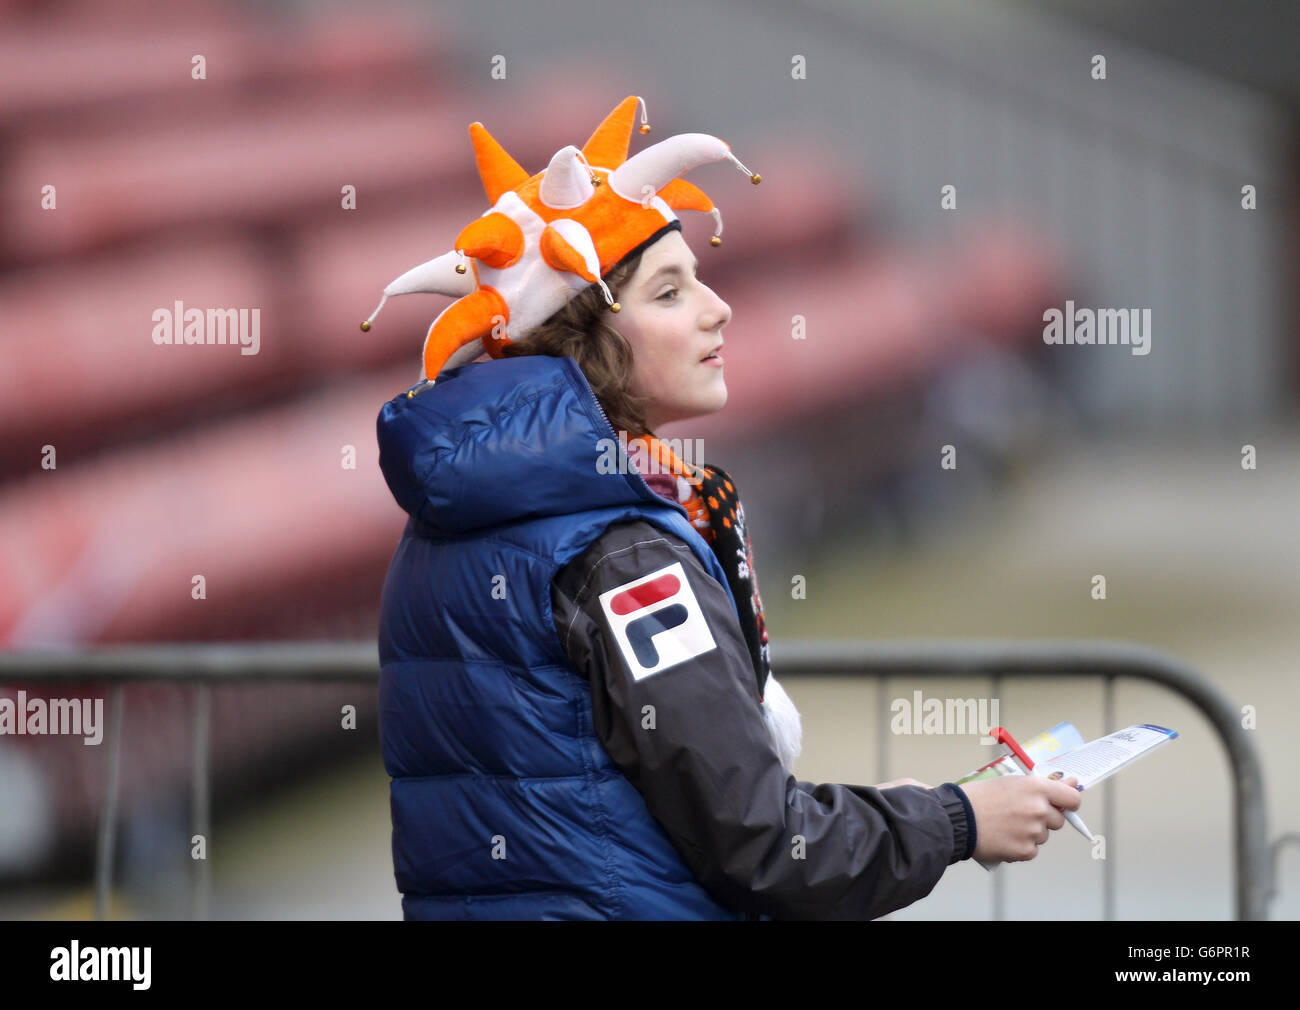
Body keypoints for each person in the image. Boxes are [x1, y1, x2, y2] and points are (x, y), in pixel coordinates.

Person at [370, 95, 1083, 920]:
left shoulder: (447, 528)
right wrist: (959, 820)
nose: (719, 308)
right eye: (669, 294)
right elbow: (764, 849)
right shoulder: (624, 558)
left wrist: (882, 814)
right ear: (580, 343)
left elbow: (654, 812)